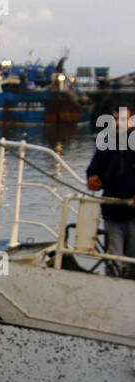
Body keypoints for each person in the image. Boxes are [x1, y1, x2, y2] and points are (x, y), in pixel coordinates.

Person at [86, 104, 135, 278]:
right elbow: (93, 171)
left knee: (133, 260)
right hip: (112, 212)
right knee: (113, 258)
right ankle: (113, 286)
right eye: (115, 119)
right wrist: (92, 180)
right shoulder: (106, 145)